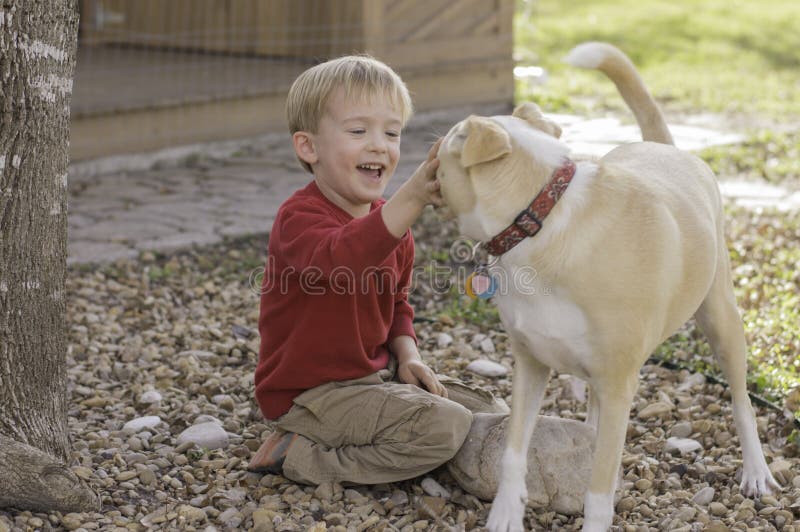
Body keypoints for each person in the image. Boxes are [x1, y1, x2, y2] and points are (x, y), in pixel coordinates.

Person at [248, 55, 506, 485]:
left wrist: (409, 357)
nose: (378, 145)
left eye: (391, 132)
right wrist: (412, 198)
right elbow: (344, 256)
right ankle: (300, 457)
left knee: (489, 412)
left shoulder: (392, 226)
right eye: (358, 130)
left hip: (375, 378)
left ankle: (434, 453)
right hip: (311, 394)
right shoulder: (299, 219)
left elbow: (398, 304)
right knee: (444, 426)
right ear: (308, 147)